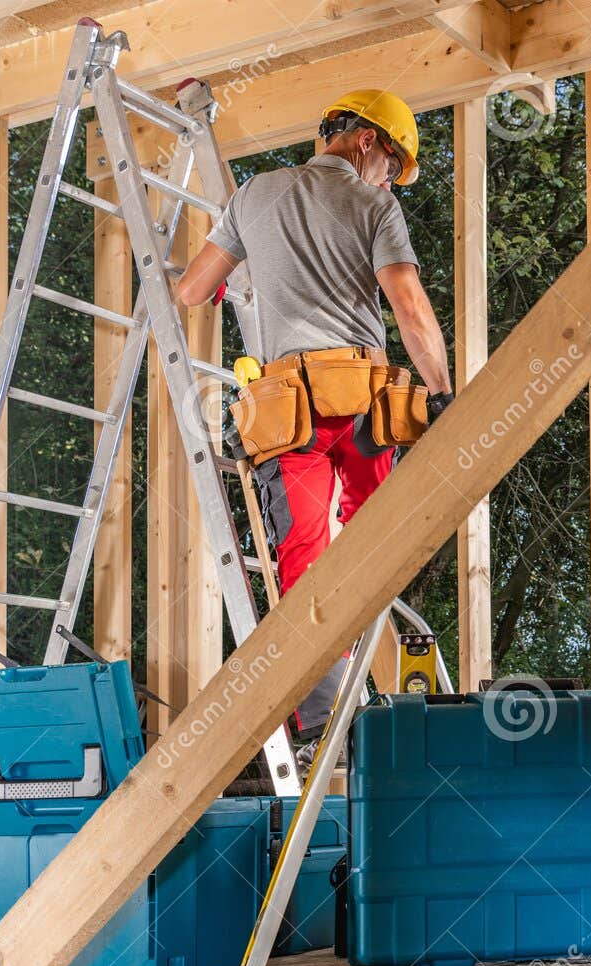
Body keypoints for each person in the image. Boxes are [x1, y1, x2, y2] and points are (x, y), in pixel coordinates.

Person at [177, 89, 451, 733]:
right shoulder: (373, 203)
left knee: (303, 558)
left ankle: (322, 718)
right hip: (359, 408)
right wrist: (440, 393)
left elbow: (190, 290)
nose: (391, 179)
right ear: (368, 141)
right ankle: (356, 689)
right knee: (372, 542)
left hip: (286, 412)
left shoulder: (253, 195)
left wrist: (226, 280)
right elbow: (409, 309)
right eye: (393, 163)